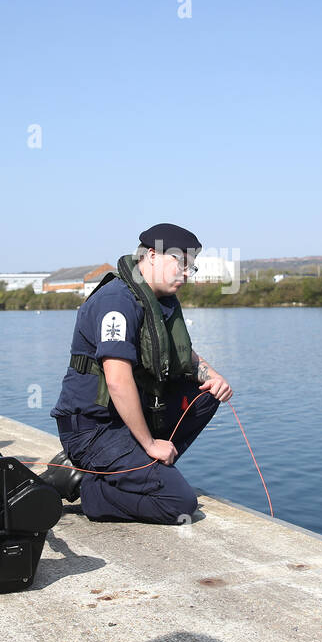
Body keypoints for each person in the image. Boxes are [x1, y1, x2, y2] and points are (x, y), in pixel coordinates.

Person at [45, 223, 233, 524]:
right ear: (152, 255)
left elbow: (182, 355)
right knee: (180, 504)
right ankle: (91, 486)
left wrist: (212, 376)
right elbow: (117, 381)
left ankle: (138, 470)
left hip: (128, 420)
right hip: (93, 428)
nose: (186, 274)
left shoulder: (160, 300)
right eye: (180, 264)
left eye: (191, 267)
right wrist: (149, 444)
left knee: (206, 395)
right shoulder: (116, 302)